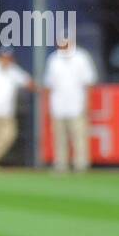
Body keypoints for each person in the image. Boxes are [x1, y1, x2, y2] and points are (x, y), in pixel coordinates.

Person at [43, 36, 98, 172]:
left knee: (79, 136)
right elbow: (48, 85)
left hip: (77, 104)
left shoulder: (81, 57)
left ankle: (81, 165)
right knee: (59, 138)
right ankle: (61, 164)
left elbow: (89, 82)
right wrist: (47, 106)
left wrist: (88, 103)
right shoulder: (54, 59)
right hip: (58, 105)